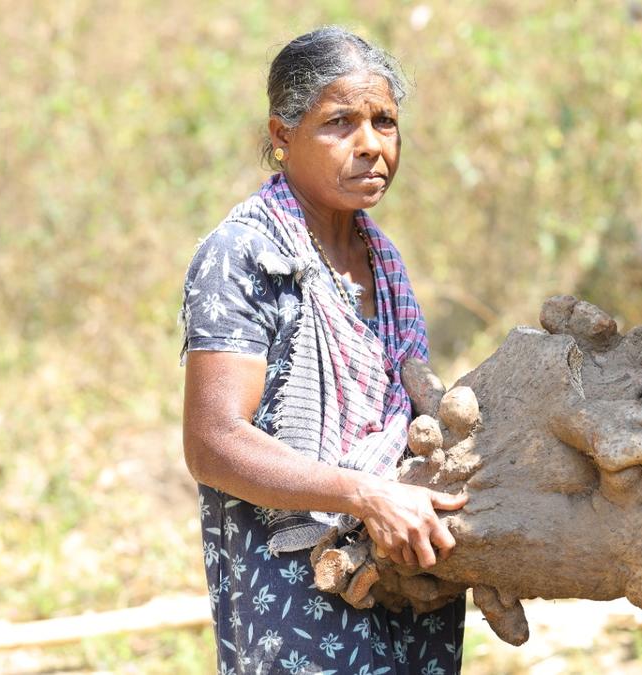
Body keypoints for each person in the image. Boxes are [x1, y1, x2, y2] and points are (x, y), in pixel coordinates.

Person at [180, 27, 466, 675]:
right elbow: (212, 441)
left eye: (384, 121)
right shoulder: (245, 256)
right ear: (282, 135)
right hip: (297, 588)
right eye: (340, 122)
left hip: (405, 574)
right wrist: (365, 495)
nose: (371, 144)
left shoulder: (384, 263)